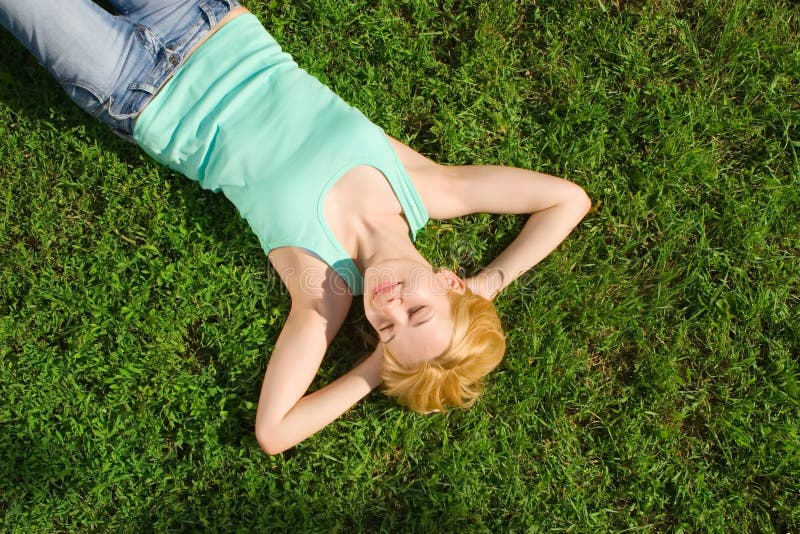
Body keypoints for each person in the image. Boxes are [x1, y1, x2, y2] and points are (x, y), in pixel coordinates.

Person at [1, 0, 591, 454]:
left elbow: (275, 432)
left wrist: (378, 370)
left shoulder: (323, 293)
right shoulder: (428, 187)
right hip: (201, 16)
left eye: (386, 330)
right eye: (418, 311)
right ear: (450, 283)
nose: (388, 309)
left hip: (135, 87)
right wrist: (491, 283)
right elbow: (568, 201)